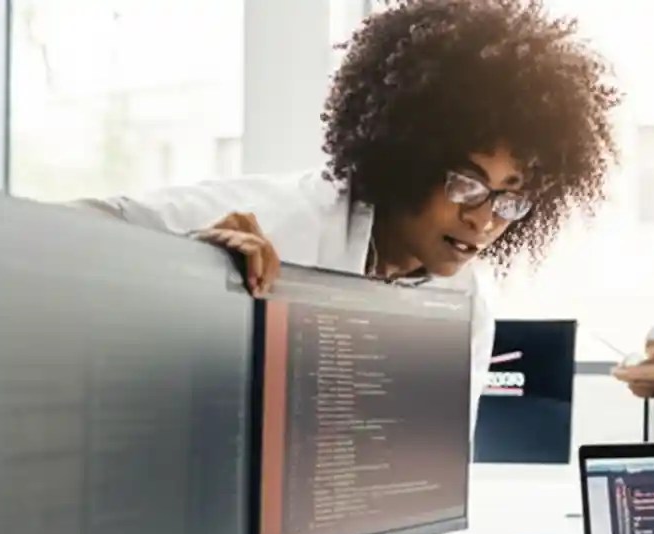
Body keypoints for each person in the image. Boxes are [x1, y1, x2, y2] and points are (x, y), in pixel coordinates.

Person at [72, 0, 619, 427]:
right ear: (407, 155)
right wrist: (182, 269)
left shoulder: (464, 304)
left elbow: (432, 480)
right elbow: (38, 236)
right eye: (465, 182)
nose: (484, 219)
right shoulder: (277, 221)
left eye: (510, 198)